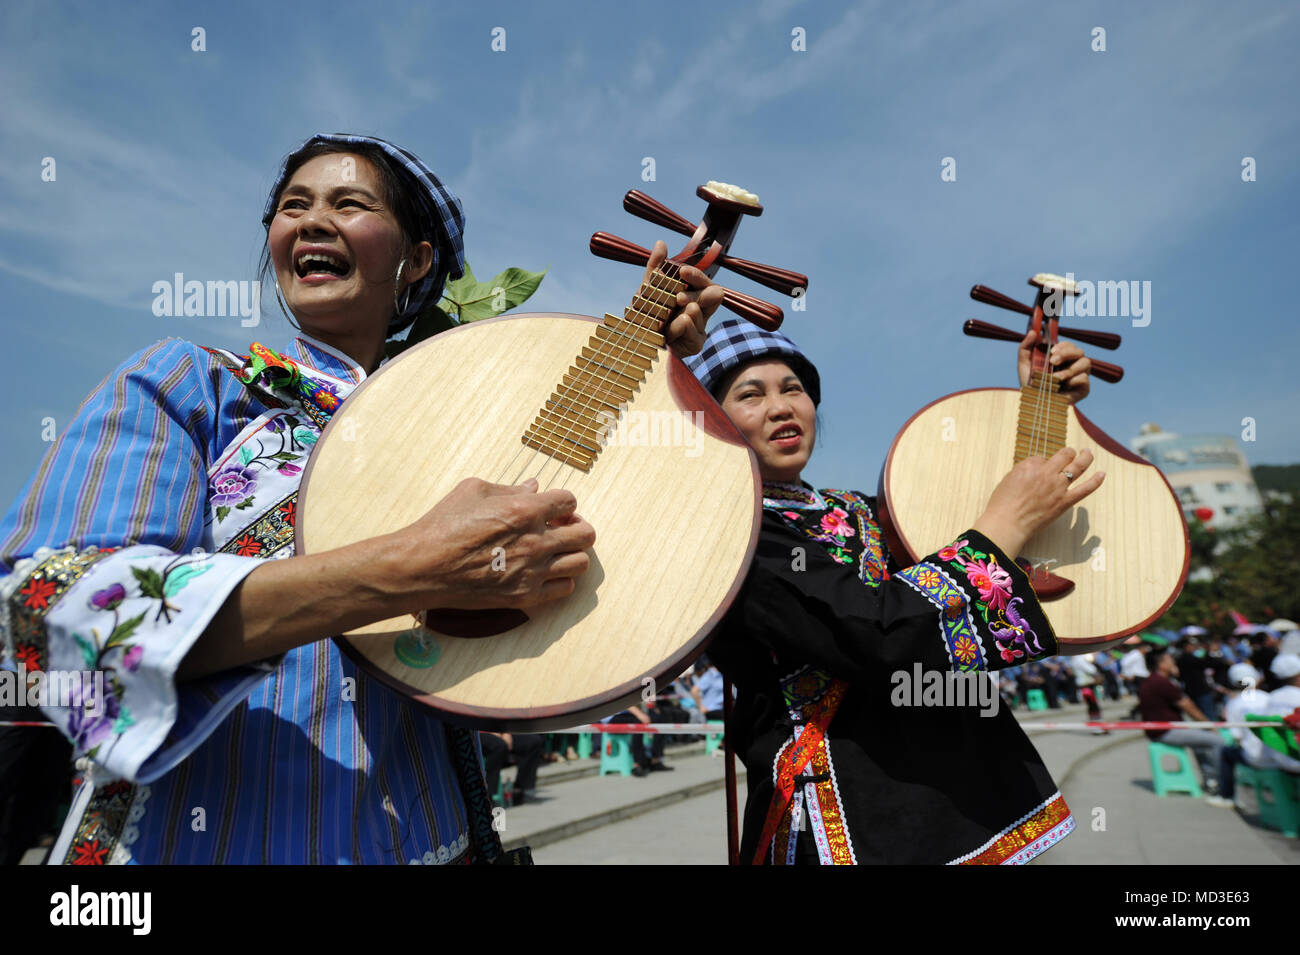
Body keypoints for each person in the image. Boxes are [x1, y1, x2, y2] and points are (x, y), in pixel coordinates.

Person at [0, 133, 721, 865]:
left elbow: (581, 560)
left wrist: (646, 367)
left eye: (350, 203)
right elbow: (49, 609)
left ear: (417, 258)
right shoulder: (192, 384)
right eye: (293, 206)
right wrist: (410, 568)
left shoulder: (463, 423)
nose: (313, 220)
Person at [686, 316, 1103, 864]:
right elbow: (875, 633)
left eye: (793, 388)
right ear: (712, 421)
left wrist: (1039, 404)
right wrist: (1004, 523)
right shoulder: (727, 532)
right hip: (850, 814)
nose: (783, 406)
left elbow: (976, 543)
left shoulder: (859, 509)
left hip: (961, 793)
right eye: (750, 394)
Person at [1137, 649, 1241, 807]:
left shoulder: (1154, 681)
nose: (1173, 662)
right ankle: (1223, 784)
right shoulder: (1161, 682)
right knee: (1217, 741)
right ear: (1161, 664)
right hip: (1166, 731)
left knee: (1201, 741)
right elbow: (1188, 706)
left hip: (1164, 729)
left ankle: (1210, 780)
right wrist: (1209, 725)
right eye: (1169, 660)